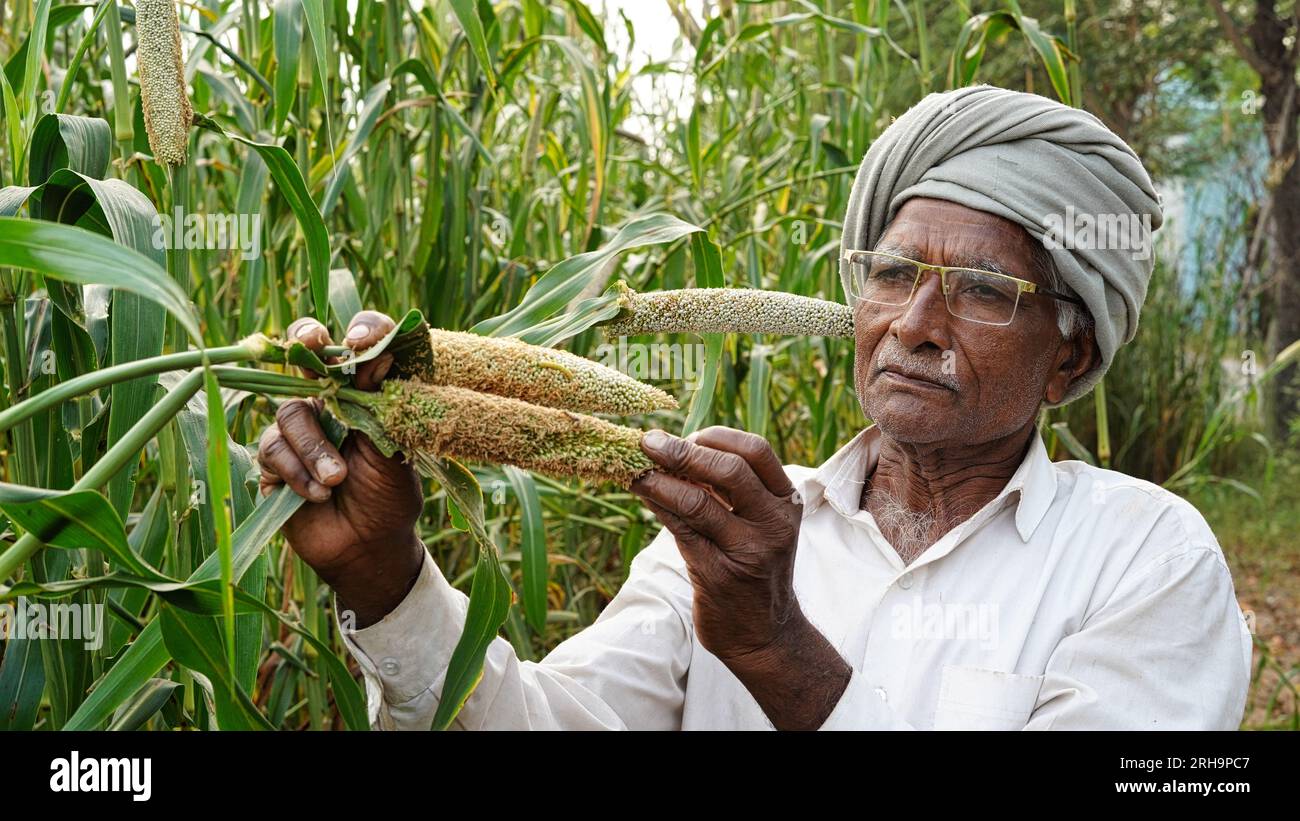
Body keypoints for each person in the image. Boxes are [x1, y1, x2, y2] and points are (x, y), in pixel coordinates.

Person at [257, 85, 1253, 730]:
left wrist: (775, 647)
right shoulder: (738, 531)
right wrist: (386, 577)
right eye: (891, 272)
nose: (912, 323)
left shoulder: (1144, 558)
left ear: (1068, 353)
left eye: (984, 291)